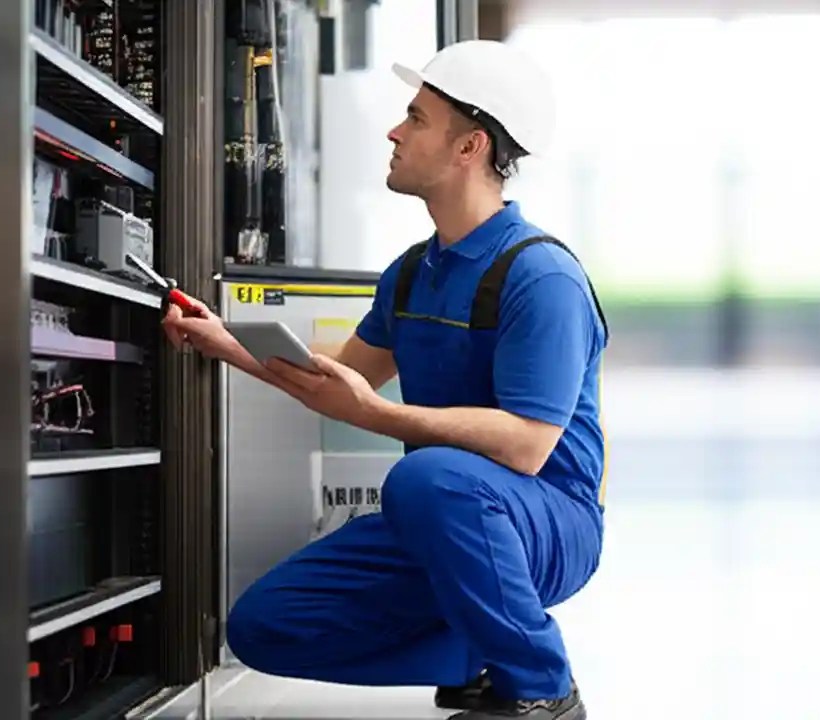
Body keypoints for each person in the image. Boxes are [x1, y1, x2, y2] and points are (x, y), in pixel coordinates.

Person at [161, 40, 606, 720]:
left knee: (425, 478)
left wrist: (378, 414)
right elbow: (338, 376)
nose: (395, 132)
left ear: (470, 147)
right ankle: (475, 653)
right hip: (446, 515)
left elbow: (527, 446)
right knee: (263, 626)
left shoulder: (540, 277)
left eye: (416, 118)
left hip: (547, 522)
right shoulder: (410, 274)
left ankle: (544, 685)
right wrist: (223, 339)